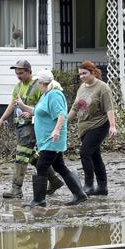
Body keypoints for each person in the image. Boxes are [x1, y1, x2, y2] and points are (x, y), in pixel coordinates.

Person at [15, 69, 87, 207]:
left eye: (38, 82)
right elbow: (38, 111)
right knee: (59, 166)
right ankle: (79, 194)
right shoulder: (46, 94)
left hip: (52, 139)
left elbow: (61, 114)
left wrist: (56, 131)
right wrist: (23, 107)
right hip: (47, 139)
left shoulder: (54, 94)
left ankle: (39, 200)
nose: (36, 84)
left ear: (41, 82)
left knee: (41, 166)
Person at [0, 60, 63, 199]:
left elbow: (45, 104)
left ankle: (16, 189)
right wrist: (2, 118)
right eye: (16, 73)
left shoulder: (38, 85)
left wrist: (31, 112)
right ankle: (54, 181)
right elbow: (12, 104)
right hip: (21, 125)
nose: (18, 76)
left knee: (21, 154)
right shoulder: (18, 86)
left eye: (21, 73)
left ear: (29, 71)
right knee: (31, 155)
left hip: (32, 125)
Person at [67, 61, 117, 196]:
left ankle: (88, 185)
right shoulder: (82, 87)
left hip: (99, 125)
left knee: (85, 152)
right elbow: (75, 107)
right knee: (95, 156)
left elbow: (109, 108)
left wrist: (112, 126)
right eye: (80, 74)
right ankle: (102, 187)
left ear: (93, 72)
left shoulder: (103, 88)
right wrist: (64, 123)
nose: (82, 76)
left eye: (84, 73)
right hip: (84, 127)